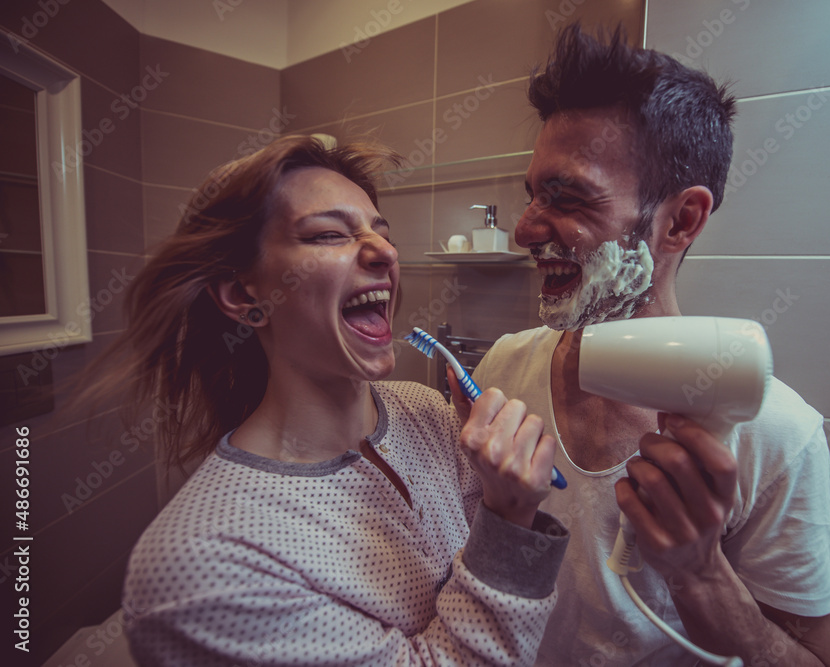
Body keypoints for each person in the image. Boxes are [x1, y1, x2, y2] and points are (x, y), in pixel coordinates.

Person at [87, 134, 568, 666]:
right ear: (245, 295)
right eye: (328, 235)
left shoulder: (427, 412)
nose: (386, 252)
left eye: (382, 234)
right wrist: (511, 514)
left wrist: (505, 506)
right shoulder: (201, 566)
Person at [469, 25, 830, 666]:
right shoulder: (503, 368)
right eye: (532, 195)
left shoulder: (776, 434)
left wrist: (700, 575)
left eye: (569, 196)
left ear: (682, 220)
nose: (527, 229)